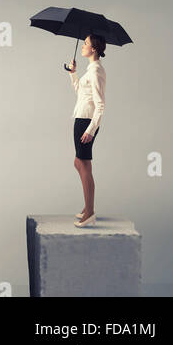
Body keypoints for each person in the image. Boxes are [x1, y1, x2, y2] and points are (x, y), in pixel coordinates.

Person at [65, 34, 106, 227]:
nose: (83, 46)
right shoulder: (90, 70)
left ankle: (89, 212)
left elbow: (100, 105)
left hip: (86, 121)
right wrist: (73, 73)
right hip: (81, 118)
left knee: (82, 163)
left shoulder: (96, 71)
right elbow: (80, 93)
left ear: (94, 49)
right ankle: (88, 205)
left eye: (86, 44)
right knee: (81, 163)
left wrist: (91, 129)